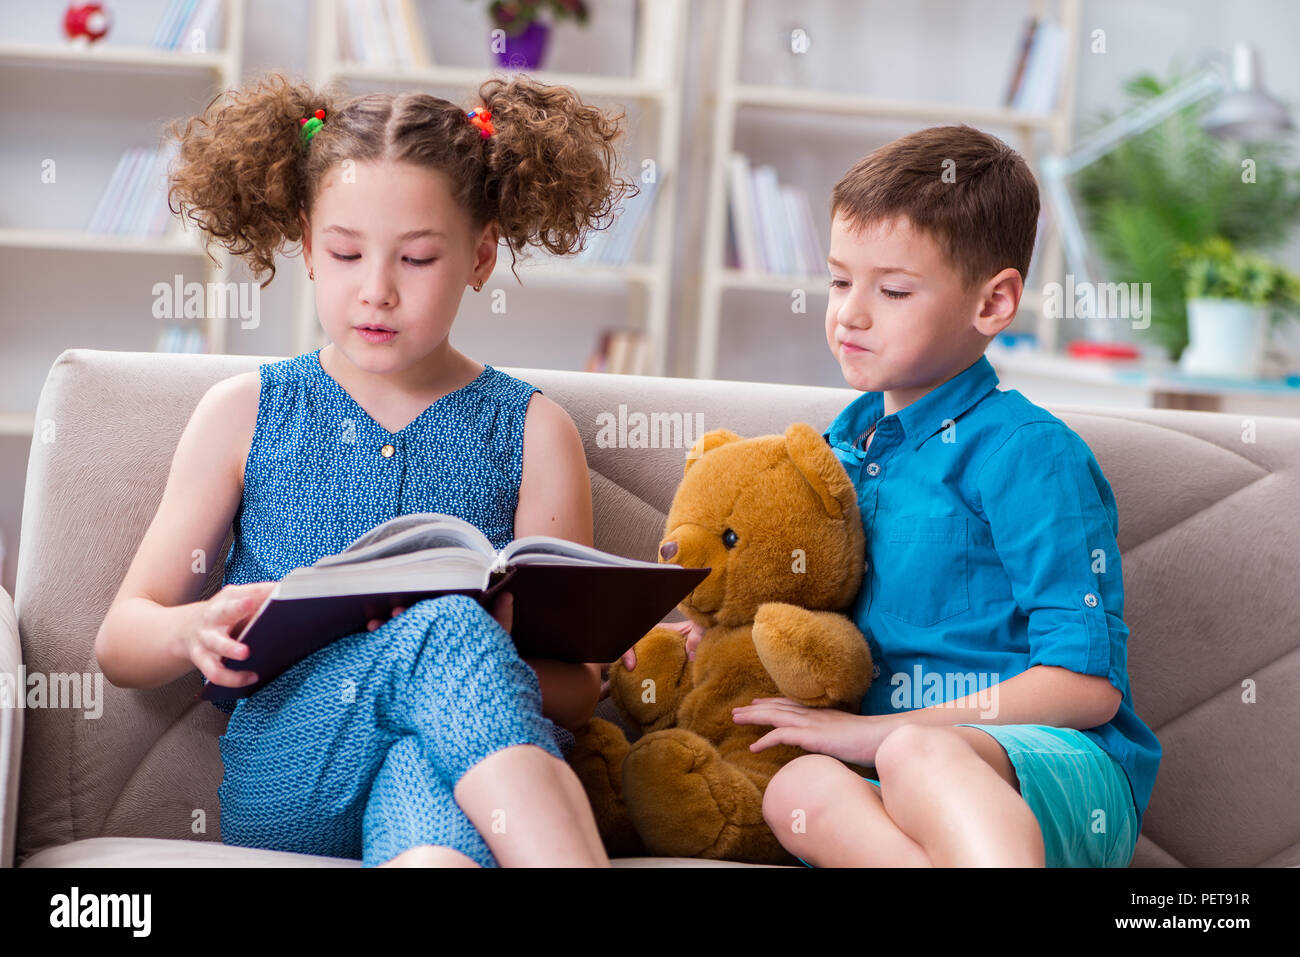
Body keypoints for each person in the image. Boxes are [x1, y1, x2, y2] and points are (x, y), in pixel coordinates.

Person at [94, 70, 650, 868]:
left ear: (481, 256)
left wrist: (498, 651)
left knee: (437, 845)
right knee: (448, 629)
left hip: (453, 764)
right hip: (293, 768)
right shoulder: (244, 411)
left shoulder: (533, 431)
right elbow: (120, 641)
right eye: (346, 253)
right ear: (308, 245)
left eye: (418, 259)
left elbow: (576, 690)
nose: (377, 291)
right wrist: (192, 627)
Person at [730, 124, 1162, 867]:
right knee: (794, 789)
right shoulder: (840, 448)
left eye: (893, 289)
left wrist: (886, 734)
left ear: (993, 303)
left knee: (917, 756)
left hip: (1047, 772)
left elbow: (1087, 687)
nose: (850, 314)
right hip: (895, 781)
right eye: (839, 281)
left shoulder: (1028, 451)